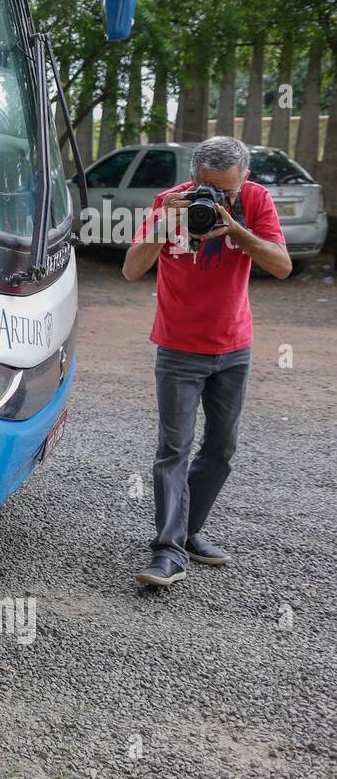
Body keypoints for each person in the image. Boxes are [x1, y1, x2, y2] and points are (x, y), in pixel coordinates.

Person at [122, 136, 290, 588]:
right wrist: (164, 221)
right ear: (193, 177)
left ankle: (189, 532)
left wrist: (237, 229)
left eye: (227, 190)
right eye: (206, 187)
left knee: (221, 450)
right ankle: (168, 550)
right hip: (178, 348)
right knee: (174, 449)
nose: (215, 199)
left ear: (245, 179)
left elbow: (282, 265)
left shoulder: (255, 201)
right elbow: (131, 269)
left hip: (234, 348)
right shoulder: (169, 203)